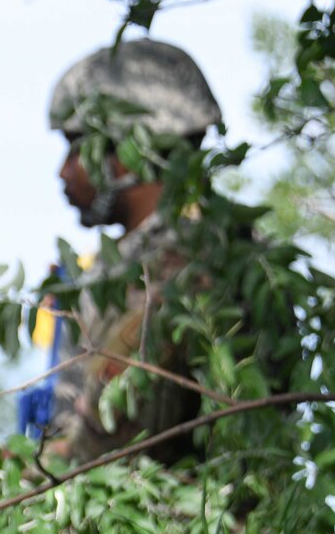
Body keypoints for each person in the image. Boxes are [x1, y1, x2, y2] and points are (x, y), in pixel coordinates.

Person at [33, 38, 226, 467]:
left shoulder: (178, 269)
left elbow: (107, 446)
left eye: (79, 147)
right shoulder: (182, 253)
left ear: (129, 152)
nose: (65, 171)